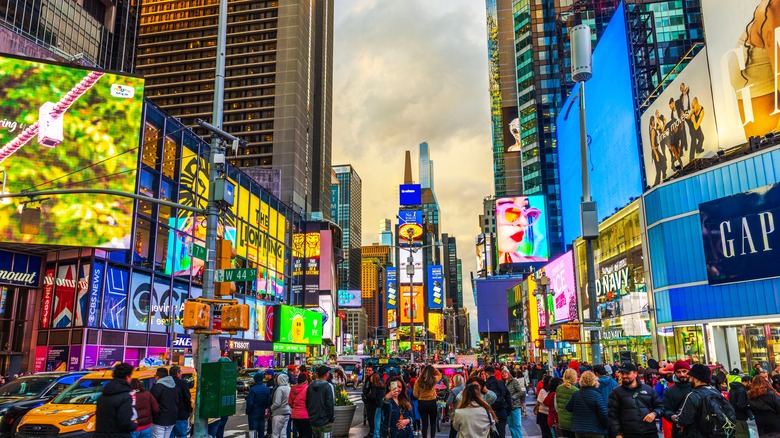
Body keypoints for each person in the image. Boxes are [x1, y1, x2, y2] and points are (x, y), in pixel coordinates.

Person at [674, 363, 737, 437]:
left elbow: (683, 420)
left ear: (696, 379)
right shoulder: (716, 392)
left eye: (691, 377)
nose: (689, 379)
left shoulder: (693, 395)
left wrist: (675, 417)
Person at [607, 363, 662, 438]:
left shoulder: (648, 390)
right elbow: (612, 415)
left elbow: (661, 407)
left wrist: (654, 413)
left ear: (635, 374)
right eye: (622, 373)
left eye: (627, 373)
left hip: (650, 432)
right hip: (629, 433)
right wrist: (618, 433)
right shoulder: (616, 392)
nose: (624, 376)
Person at [94, 363, 138, 438]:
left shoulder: (103, 395)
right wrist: (134, 424)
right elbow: (124, 423)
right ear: (127, 377)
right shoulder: (125, 397)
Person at [565, 370, 608, 438]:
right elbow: (604, 413)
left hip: (579, 429)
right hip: (595, 429)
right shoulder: (597, 395)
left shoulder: (576, 394)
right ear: (594, 381)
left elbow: (568, 407)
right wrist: (606, 426)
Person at [662, 360, 693, 438]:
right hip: (678, 431)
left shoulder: (697, 388)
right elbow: (665, 409)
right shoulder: (670, 391)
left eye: (684, 371)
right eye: (678, 372)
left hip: (697, 430)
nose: (682, 374)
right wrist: (672, 416)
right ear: (675, 373)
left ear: (689, 371)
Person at [149, 368, 179, 438]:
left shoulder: (157, 387)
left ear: (157, 376)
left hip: (159, 419)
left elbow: (152, 402)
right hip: (172, 418)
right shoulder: (174, 386)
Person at [413, 364, 441, 438]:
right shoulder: (433, 379)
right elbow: (439, 375)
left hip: (422, 403)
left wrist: (420, 396)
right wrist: (434, 369)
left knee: (424, 424)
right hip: (432, 402)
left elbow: (415, 394)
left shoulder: (418, 381)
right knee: (433, 423)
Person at [306, 366, 335, 438]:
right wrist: (331, 419)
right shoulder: (327, 386)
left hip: (313, 420)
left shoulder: (310, 386)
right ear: (326, 374)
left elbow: (307, 402)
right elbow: (330, 404)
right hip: (325, 421)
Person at [484, 366, 511, 438]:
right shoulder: (500, 383)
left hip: (490, 412)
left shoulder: (485, 385)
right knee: (502, 433)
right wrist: (508, 410)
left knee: (489, 431)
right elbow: (508, 396)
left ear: (486, 374)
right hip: (502, 410)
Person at [246, 372, 272, 438]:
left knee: (253, 430)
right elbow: (269, 400)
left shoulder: (253, 389)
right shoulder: (266, 389)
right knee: (261, 430)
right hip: (262, 411)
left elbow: (250, 402)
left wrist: (248, 411)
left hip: (253, 412)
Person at [169, 366, 191, 438]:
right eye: (180, 372)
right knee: (181, 435)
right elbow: (187, 398)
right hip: (181, 414)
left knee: (170, 435)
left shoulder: (167, 383)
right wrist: (189, 410)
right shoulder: (182, 383)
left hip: (169, 415)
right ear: (177, 373)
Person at [556, 368, 580, 438]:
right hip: (573, 422)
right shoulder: (576, 390)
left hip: (562, 421)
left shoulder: (558, 388)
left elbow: (556, 405)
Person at [502, 367, 524, 438]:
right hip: (507, 407)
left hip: (515, 406)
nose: (504, 374)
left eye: (505, 373)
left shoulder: (514, 381)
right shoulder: (502, 384)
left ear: (508, 373)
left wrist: (512, 398)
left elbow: (520, 392)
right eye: (503, 373)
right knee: (511, 425)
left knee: (517, 424)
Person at [288, 371, 312, 438]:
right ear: (305, 380)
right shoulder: (308, 388)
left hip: (295, 415)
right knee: (307, 434)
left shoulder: (293, 388)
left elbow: (290, 402)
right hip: (305, 415)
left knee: (301, 433)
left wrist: (295, 408)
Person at [269, 373, 291, 438]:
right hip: (287, 412)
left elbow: (277, 403)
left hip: (278, 413)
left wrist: (271, 409)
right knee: (283, 433)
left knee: (275, 433)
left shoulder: (280, 389)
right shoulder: (289, 388)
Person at [367, 373, 386, 438]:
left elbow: (373, 396)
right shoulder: (382, 385)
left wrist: (368, 395)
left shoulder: (374, 386)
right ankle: (382, 433)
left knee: (377, 420)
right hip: (383, 403)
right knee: (382, 419)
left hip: (378, 404)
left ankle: (376, 434)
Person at [362, 366, 379, 438]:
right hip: (368, 402)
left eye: (369, 370)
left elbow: (373, 394)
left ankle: (372, 432)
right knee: (370, 418)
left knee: (372, 418)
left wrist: (366, 396)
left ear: (373, 371)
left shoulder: (373, 379)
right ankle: (371, 432)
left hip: (372, 403)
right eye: (367, 370)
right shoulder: (368, 378)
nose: (368, 372)